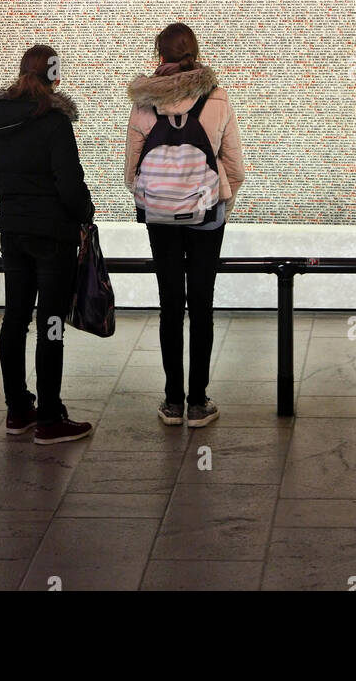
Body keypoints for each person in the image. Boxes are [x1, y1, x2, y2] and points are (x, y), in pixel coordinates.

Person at [125, 23, 245, 427]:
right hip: (207, 214)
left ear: (160, 56)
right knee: (202, 305)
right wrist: (218, 199)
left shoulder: (144, 103)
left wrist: (157, 197)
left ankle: (172, 401)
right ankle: (198, 402)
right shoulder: (217, 99)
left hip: (160, 218)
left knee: (170, 305)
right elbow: (236, 167)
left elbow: (131, 171)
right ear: (194, 51)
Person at [0, 44, 94, 445]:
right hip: (53, 236)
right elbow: (69, 184)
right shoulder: (55, 121)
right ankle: (49, 417)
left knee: (15, 318)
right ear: (54, 77)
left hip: (12, 232)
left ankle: (18, 410)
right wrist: (86, 213)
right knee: (50, 322)